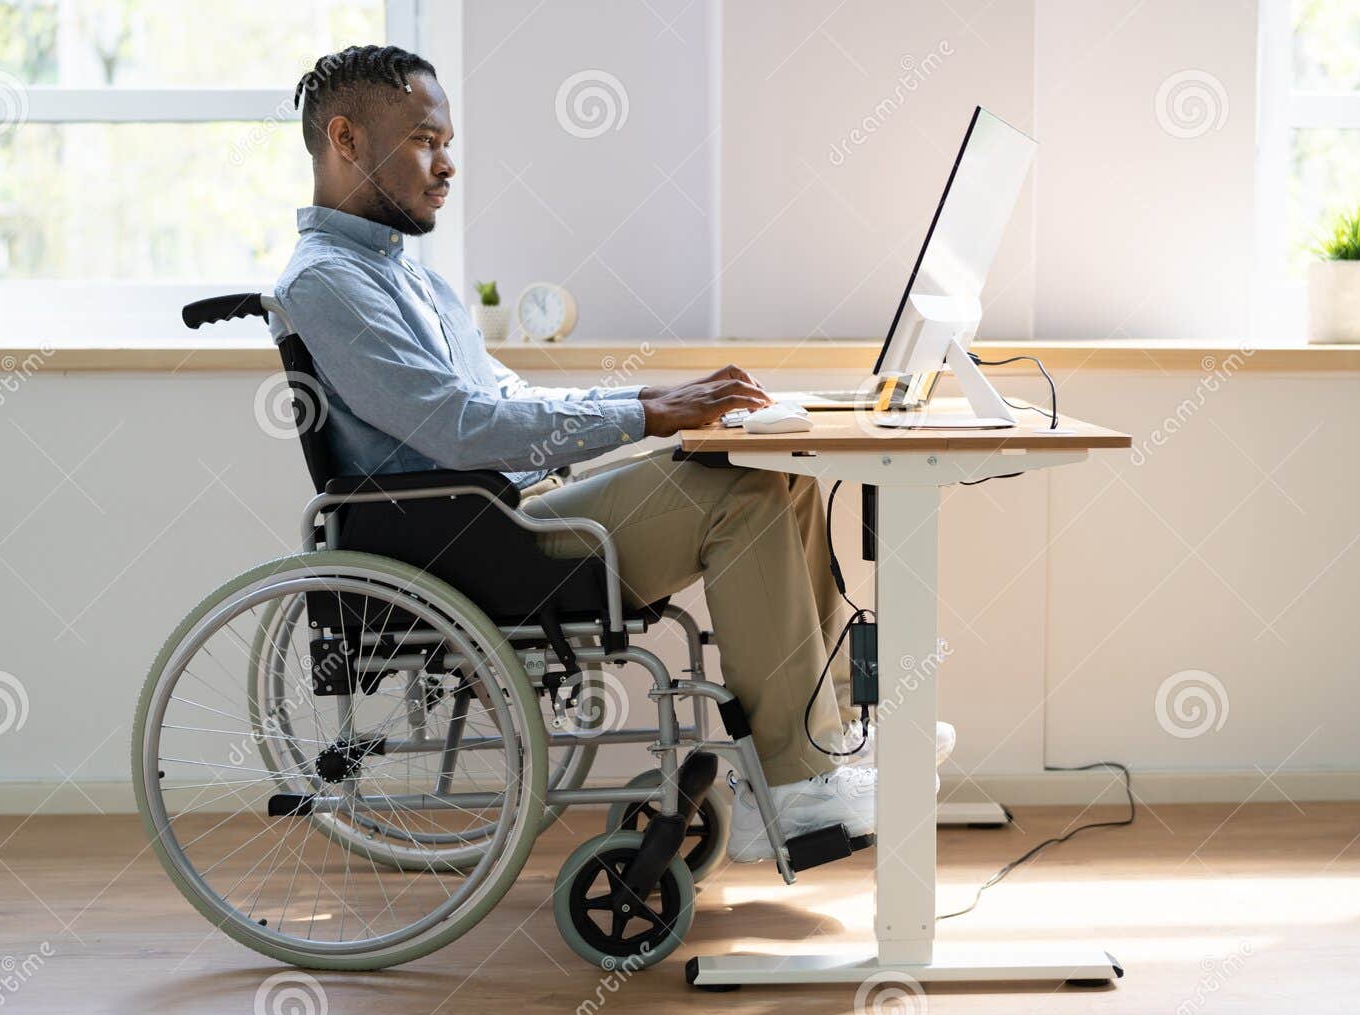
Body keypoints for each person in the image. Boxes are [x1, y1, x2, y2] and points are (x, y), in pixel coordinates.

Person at [268, 45, 952, 863]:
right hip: (468, 545)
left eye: (447, 141)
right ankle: (796, 782)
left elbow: (510, 399)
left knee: (772, 471)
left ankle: (827, 735)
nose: (447, 164)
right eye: (424, 140)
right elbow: (458, 424)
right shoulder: (327, 281)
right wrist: (645, 412)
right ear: (344, 139)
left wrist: (652, 404)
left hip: (502, 515)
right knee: (744, 498)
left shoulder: (403, 274)